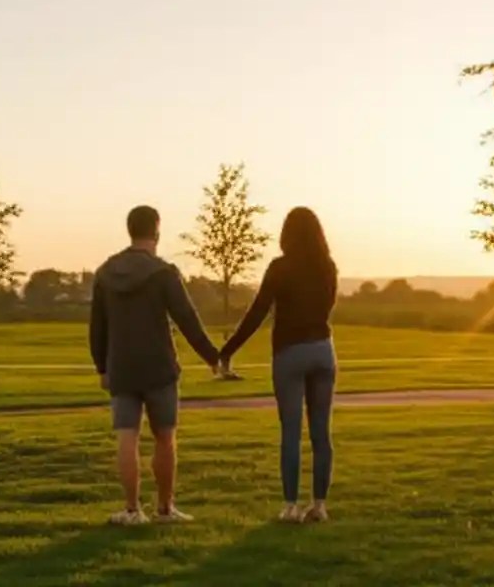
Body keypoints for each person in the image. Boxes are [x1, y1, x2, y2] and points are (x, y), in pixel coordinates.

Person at [90, 205, 220, 526]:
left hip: (121, 367)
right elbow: (186, 318)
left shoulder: (105, 273)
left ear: (129, 229)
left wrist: (101, 368)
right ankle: (164, 509)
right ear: (157, 232)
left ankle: (132, 510)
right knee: (165, 437)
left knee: (126, 437)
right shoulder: (163, 273)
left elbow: (97, 326)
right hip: (159, 367)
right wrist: (213, 357)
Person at [219, 207, 338, 524]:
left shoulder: (280, 268)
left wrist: (227, 350)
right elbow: (328, 306)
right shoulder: (328, 267)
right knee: (321, 434)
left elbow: (257, 312)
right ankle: (320, 505)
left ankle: (290, 506)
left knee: (291, 432)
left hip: (290, 351)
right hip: (323, 350)